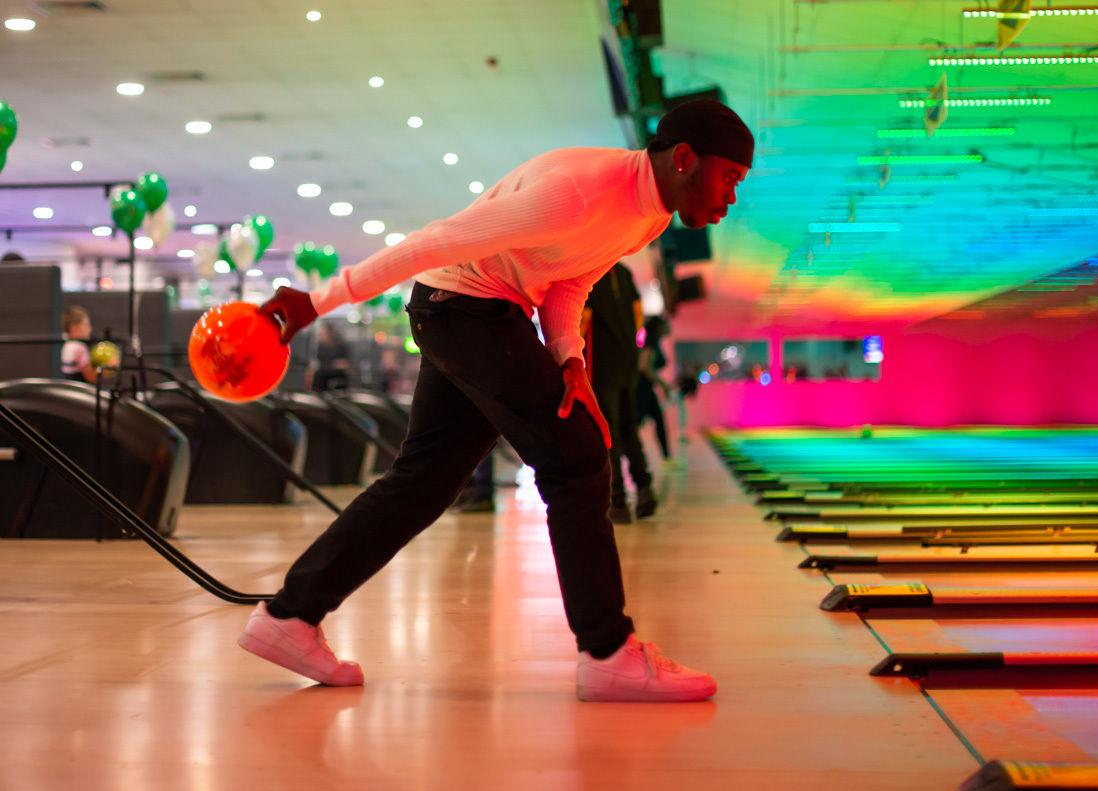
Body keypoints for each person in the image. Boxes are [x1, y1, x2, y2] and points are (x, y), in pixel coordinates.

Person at [238, 98, 753, 702]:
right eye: (729, 179)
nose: (731, 197)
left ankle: (288, 617)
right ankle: (608, 650)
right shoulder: (579, 191)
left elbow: (572, 281)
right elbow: (440, 240)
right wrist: (320, 300)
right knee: (579, 458)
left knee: (423, 482)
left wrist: (570, 359)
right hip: (467, 307)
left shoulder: (652, 215)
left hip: (469, 312)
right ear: (685, 159)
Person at [582, 262, 655, 524]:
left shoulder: (588, 268)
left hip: (602, 364)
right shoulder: (624, 271)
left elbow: (583, 319)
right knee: (628, 427)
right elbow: (637, 314)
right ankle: (645, 489)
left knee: (608, 431)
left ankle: (618, 501)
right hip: (627, 361)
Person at [637, 315, 672, 460]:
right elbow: (644, 367)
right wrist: (663, 384)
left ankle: (667, 457)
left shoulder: (653, 343)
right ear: (658, 328)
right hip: (642, 389)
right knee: (635, 424)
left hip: (645, 388)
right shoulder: (650, 344)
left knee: (657, 421)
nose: (668, 327)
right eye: (665, 324)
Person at [60, 306, 105, 384]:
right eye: (86, 325)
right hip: (80, 393)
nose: (89, 329)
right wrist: (109, 366)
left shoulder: (67, 344)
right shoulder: (79, 347)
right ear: (74, 327)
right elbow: (91, 377)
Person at [310, 321, 351, 391]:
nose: (321, 335)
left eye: (323, 333)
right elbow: (320, 362)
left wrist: (343, 364)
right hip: (324, 373)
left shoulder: (341, 346)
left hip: (339, 373)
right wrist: (334, 364)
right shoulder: (321, 348)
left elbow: (347, 362)